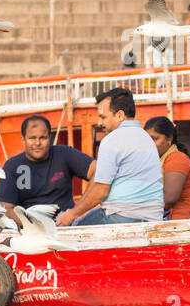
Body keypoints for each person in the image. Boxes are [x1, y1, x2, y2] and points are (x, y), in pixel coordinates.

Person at [55, 88, 163, 226]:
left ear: (119, 115)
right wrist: (75, 212)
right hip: (152, 218)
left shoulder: (112, 140)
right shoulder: (146, 138)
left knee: (72, 232)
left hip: (122, 216)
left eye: (103, 117)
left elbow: (101, 191)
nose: (100, 123)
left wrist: (71, 214)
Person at [0, 114, 96, 218]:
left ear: (50, 137)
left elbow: (98, 171)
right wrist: (32, 225)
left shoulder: (65, 154)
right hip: (29, 226)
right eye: (32, 138)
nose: (37, 143)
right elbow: (5, 208)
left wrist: (75, 212)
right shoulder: (12, 166)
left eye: (43, 138)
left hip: (65, 224)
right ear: (23, 140)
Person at [143, 116, 190, 220]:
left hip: (188, 221)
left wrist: (139, 210)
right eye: (147, 140)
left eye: (155, 138)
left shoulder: (176, 159)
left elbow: (169, 199)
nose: (150, 144)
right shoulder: (159, 160)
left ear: (169, 138)